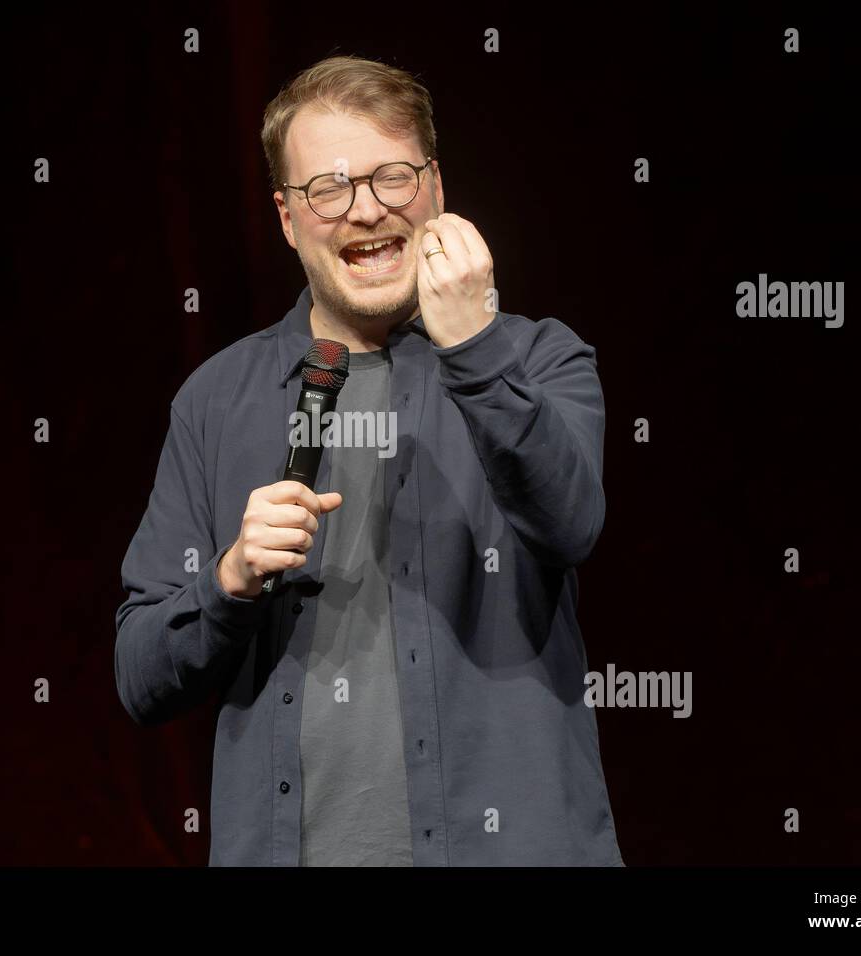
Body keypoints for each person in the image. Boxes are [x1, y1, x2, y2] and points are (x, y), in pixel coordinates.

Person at [115, 54, 623, 866]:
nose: (366, 211)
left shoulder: (538, 359)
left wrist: (477, 351)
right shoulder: (217, 402)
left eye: (393, 177)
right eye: (329, 189)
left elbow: (571, 526)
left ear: (436, 188)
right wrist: (231, 577)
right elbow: (141, 675)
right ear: (287, 218)